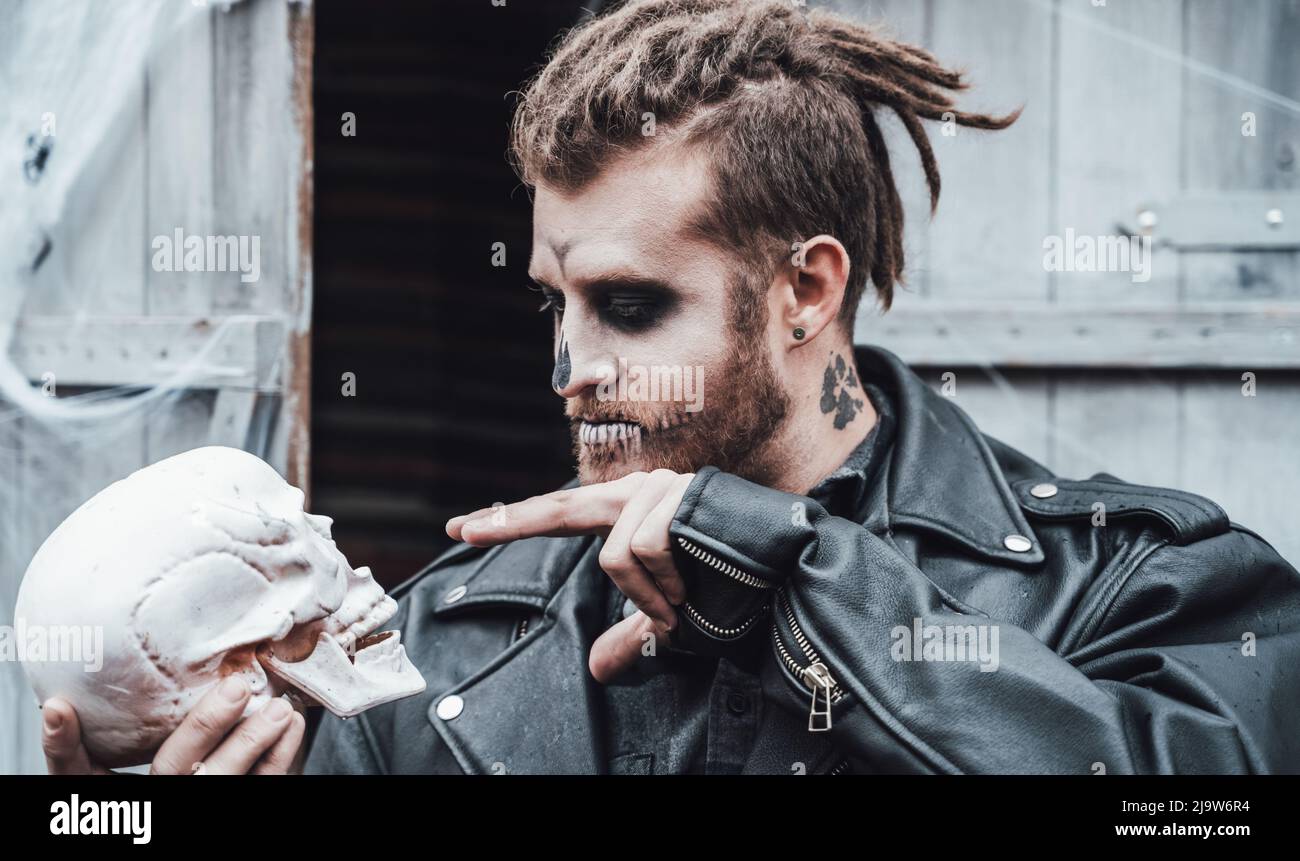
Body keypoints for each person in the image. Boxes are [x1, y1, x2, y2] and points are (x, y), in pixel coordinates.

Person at [44, 0, 1300, 776]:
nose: (574, 367)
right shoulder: (442, 639)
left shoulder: (1143, 582)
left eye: (632, 307)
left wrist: (808, 587)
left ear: (805, 290)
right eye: (557, 301)